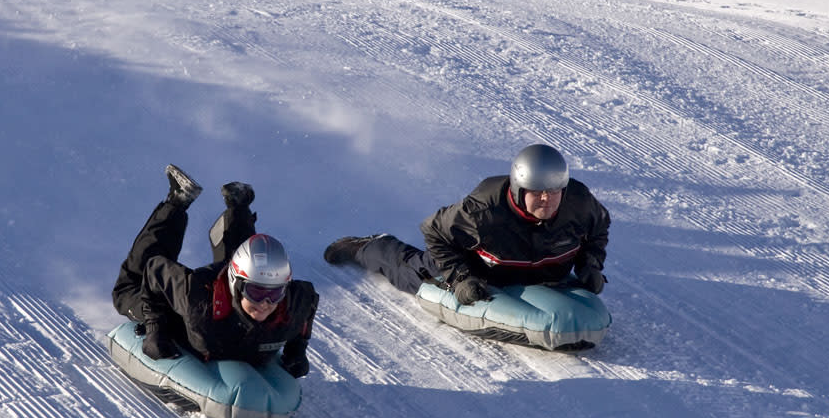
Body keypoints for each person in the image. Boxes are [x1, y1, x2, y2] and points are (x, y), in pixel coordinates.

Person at [324, 144, 609, 304]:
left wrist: (590, 265)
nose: (546, 199)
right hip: (482, 267)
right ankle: (368, 247)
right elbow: (433, 230)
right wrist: (460, 277)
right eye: (537, 192)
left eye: (554, 191)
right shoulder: (484, 212)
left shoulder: (580, 204)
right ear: (520, 190)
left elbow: (599, 229)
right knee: (413, 272)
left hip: (539, 267)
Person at [113, 164, 316, 378]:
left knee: (246, 263)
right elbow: (155, 270)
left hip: (230, 291)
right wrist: (155, 327)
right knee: (126, 293)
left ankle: (239, 206)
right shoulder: (196, 298)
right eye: (256, 292)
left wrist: (297, 350)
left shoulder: (291, 304)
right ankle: (177, 200)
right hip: (187, 306)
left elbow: (310, 299)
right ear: (238, 285)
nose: (265, 303)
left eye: (274, 293)